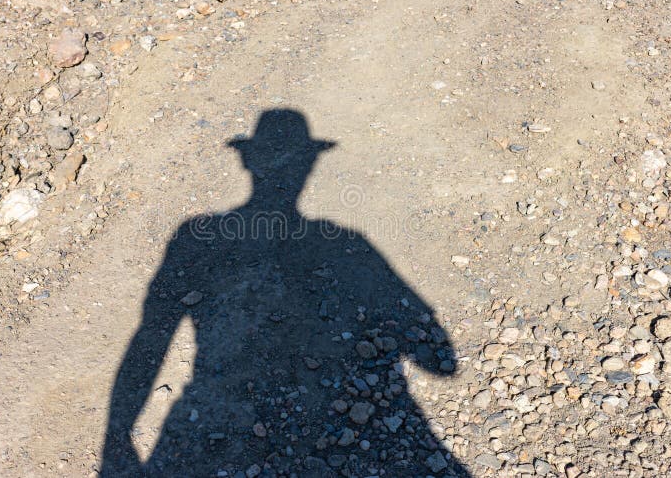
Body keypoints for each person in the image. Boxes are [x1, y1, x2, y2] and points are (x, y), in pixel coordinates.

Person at [102, 109, 468, 477]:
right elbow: (442, 363)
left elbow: (151, 336)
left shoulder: (194, 234)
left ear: (246, 160)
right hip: (323, 430)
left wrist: (115, 438)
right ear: (310, 164)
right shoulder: (344, 240)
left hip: (206, 429)